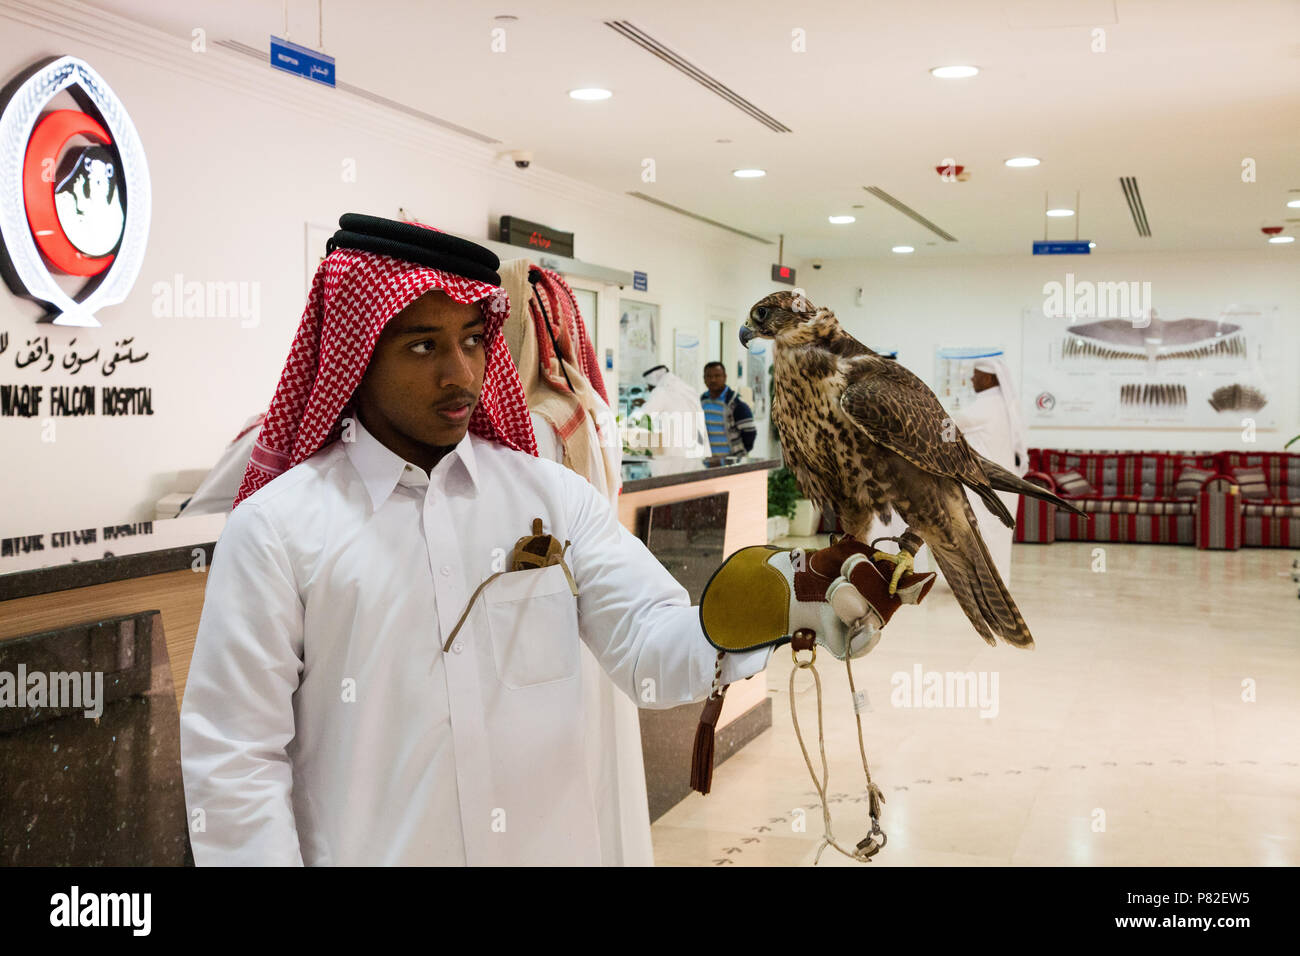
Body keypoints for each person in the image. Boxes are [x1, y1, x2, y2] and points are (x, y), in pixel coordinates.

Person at [178, 214, 906, 866]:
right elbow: (235, 761)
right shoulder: (277, 531)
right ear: (358, 352)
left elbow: (652, 646)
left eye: (471, 341)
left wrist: (785, 605)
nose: (460, 372)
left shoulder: (551, 497)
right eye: (424, 345)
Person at [950, 357, 1029, 585]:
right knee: (997, 534)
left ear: (988, 378)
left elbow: (948, 428)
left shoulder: (985, 406)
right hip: (1002, 484)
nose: (972, 379)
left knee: (981, 531)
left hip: (983, 484)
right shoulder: (1003, 406)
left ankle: (982, 581)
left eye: (975, 375)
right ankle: (996, 578)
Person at [638, 364, 708, 459]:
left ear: (653, 384)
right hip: (695, 453)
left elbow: (642, 418)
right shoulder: (688, 390)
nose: (649, 391)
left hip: (672, 455)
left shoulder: (660, 391)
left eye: (649, 387)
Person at [700, 361, 756, 459]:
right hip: (708, 463)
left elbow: (750, 433)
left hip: (732, 464)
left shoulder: (736, 404)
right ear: (704, 379)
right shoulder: (702, 402)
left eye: (717, 376)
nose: (713, 380)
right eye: (709, 376)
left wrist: (738, 455)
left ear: (725, 377)